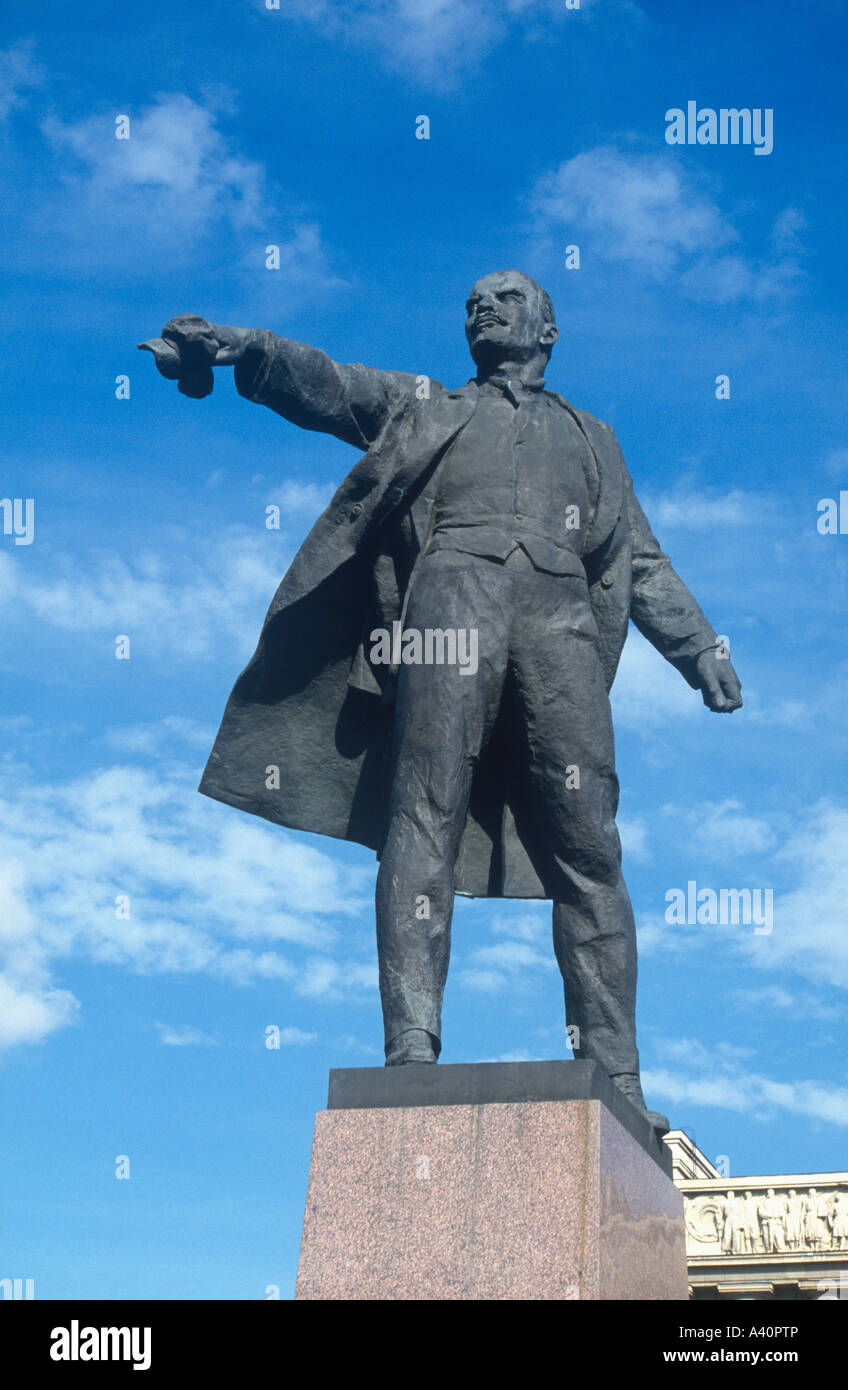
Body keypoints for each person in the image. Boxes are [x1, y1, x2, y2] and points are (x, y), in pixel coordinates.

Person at [140, 271, 742, 1130]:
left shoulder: (595, 440)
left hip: (560, 624)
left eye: (505, 297)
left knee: (592, 850)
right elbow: (333, 386)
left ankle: (617, 1074)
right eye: (471, 302)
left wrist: (700, 648)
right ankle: (412, 1049)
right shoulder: (425, 405)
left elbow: (641, 562)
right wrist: (253, 350)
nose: (482, 308)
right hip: (448, 610)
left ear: (548, 327)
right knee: (423, 815)